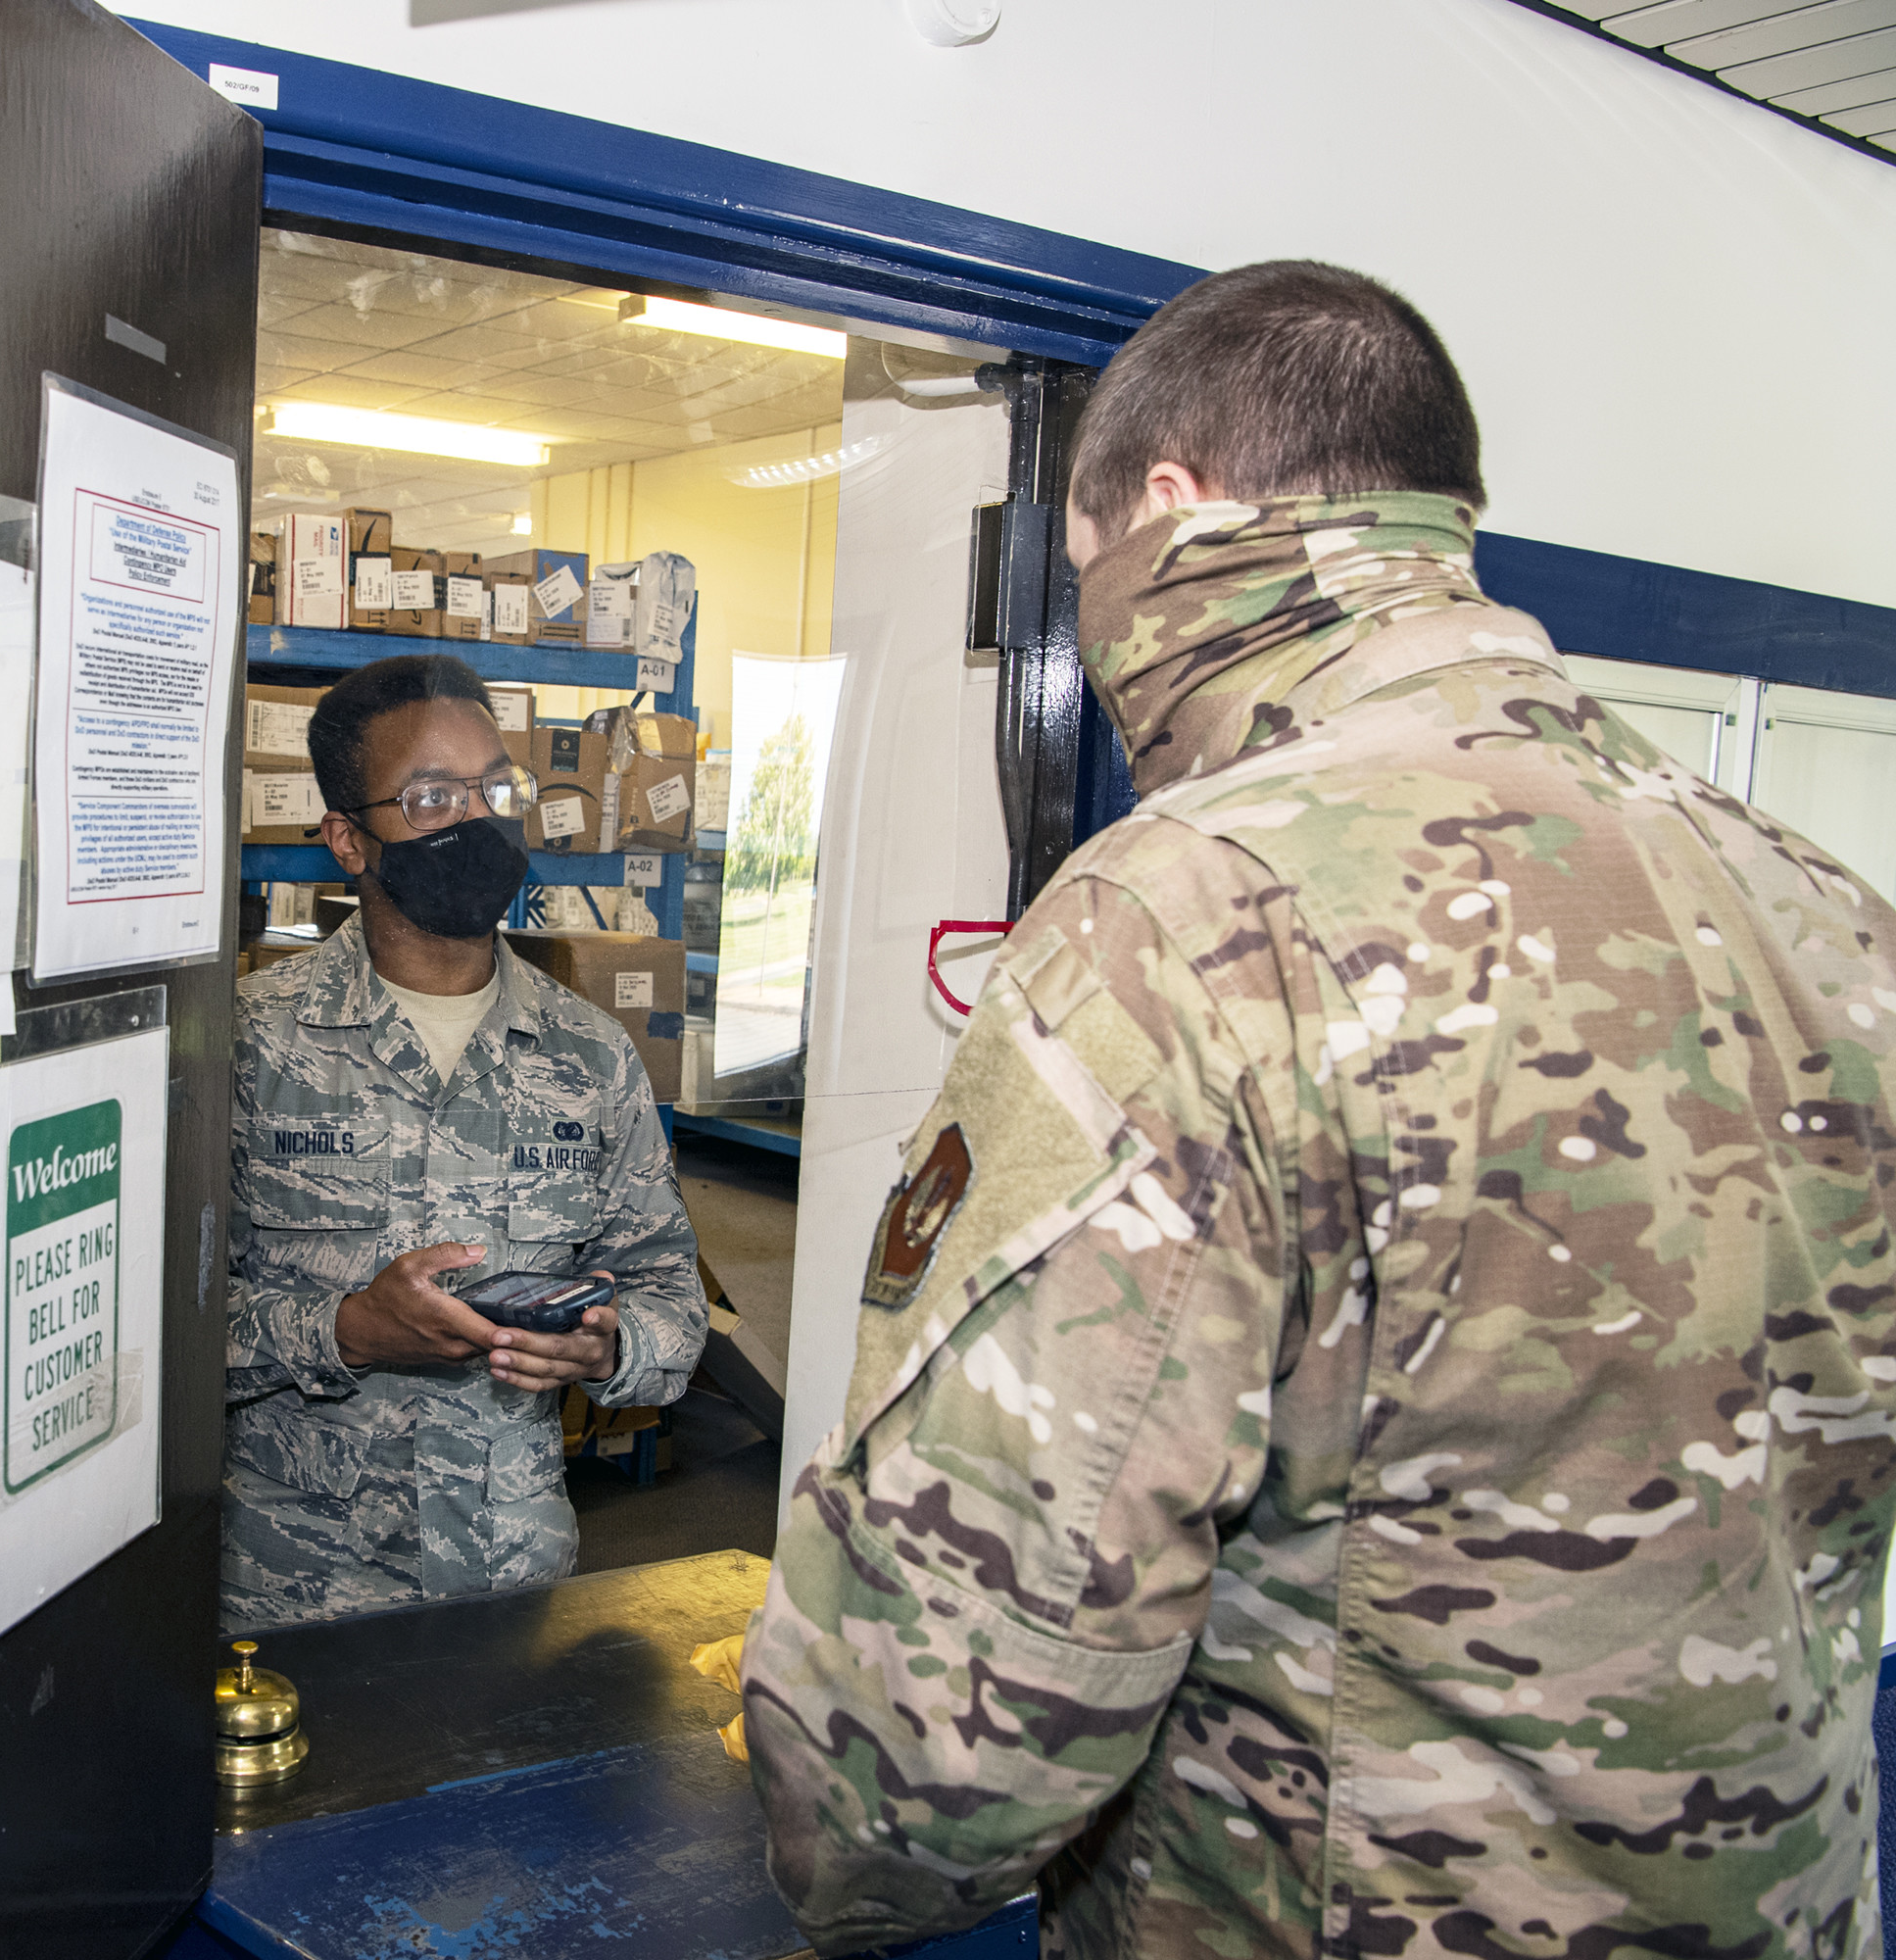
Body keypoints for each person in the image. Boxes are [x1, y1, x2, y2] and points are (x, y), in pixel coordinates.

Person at [741, 260, 1896, 1958]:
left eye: (1087, 574)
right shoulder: (1826, 909)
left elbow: (953, 1724)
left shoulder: (1193, 913)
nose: (1104, 638)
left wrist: (835, 1854)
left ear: (1172, 507)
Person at [222, 653, 706, 1633]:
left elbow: (674, 1302)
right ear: (348, 840)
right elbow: (158, 1333)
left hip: (511, 1584)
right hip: (293, 1594)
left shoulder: (587, 1055)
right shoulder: (249, 1043)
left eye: (495, 787)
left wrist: (610, 1347)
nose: (475, 819)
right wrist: (349, 1327)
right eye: (433, 795)